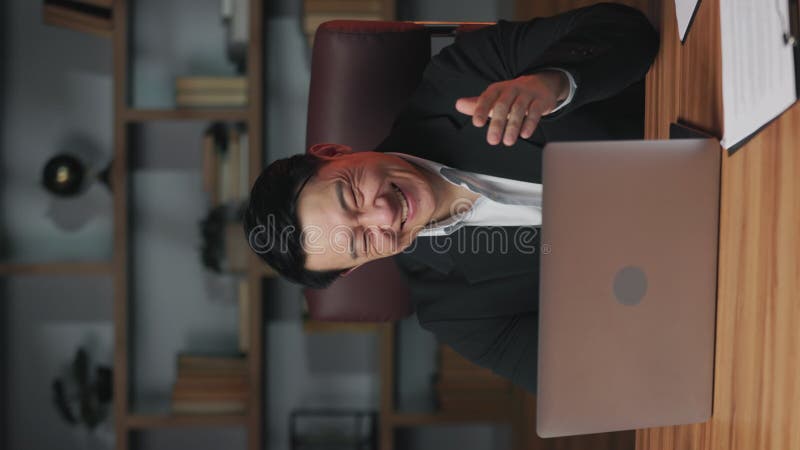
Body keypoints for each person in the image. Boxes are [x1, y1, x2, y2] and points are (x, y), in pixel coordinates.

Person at [244, 3, 659, 393]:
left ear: (334, 151)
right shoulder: (455, 311)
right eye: (363, 240)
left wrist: (555, 82)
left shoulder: (461, 76)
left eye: (352, 193)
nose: (383, 213)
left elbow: (627, 29)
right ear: (356, 267)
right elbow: (588, 381)